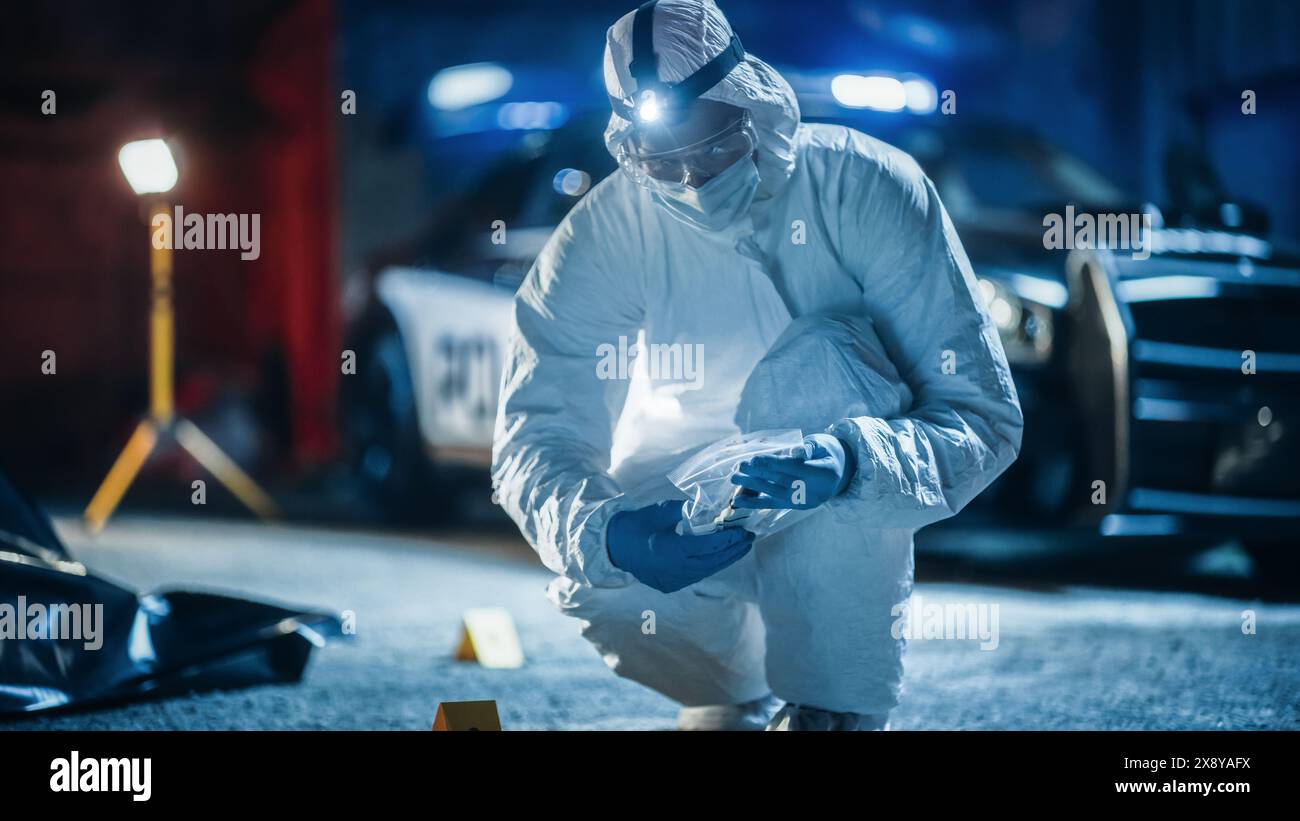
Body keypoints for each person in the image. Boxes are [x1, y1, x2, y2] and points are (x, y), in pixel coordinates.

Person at [491, 0, 1023, 730]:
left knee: (817, 370)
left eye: (712, 147)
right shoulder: (609, 231)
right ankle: (731, 688)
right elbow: (533, 436)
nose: (693, 183)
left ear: (754, 104)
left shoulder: (867, 188)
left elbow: (981, 417)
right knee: (601, 577)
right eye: (663, 161)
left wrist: (849, 460)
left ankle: (832, 703)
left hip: (838, 508)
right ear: (630, 150)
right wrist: (607, 533)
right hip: (697, 509)